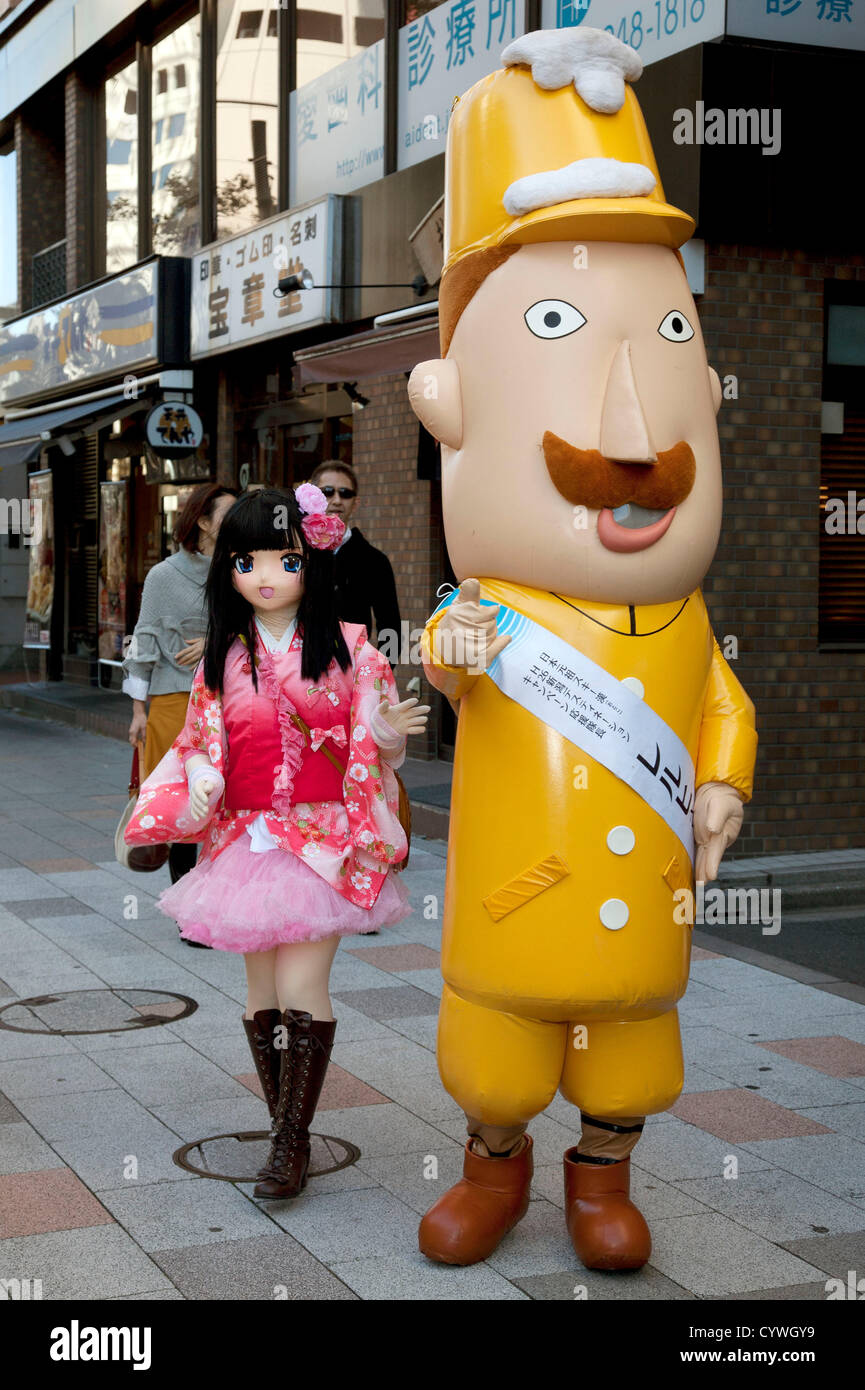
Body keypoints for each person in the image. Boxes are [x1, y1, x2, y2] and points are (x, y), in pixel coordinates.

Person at [408, 26, 757, 1271]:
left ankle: (600, 1179)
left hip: (640, 917)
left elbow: (718, 701)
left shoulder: (687, 617)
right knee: (492, 1058)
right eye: (556, 321)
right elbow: (449, 661)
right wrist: (448, 649)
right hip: (513, 911)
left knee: (630, 1056)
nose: (629, 429)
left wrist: (719, 778)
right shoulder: (495, 608)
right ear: (449, 404)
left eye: (668, 336)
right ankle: (492, 1165)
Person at [124, 485, 429, 1199]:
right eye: (247, 561)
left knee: (300, 985)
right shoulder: (221, 657)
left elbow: (379, 750)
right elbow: (203, 738)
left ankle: (290, 1143)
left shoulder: (353, 647)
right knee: (260, 992)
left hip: (322, 837)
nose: (264, 576)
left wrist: (385, 738)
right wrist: (201, 776)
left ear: (311, 562)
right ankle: (281, 1129)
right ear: (228, 567)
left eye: (284, 560)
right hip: (242, 839)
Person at [123, 483, 238, 898]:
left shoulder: (244, 570)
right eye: (228, 515)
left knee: (228, 804)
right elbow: (143, 642)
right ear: (203, 521)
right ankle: (187, 906)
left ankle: (217, 897)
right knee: (184, 803)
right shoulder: (163, 575)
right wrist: (139, 711)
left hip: (233, 701)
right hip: (175, 703)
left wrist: (217, 641)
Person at [307, 461, 401, 652]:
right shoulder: (294, 553)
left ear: (355, 503)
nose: (337, 500)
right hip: (296, 671)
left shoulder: (375, 561)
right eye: (327, 491)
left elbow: (391, 628)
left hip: (352, 672)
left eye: (345, 493)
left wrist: (377, 674)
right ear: (312, 497)